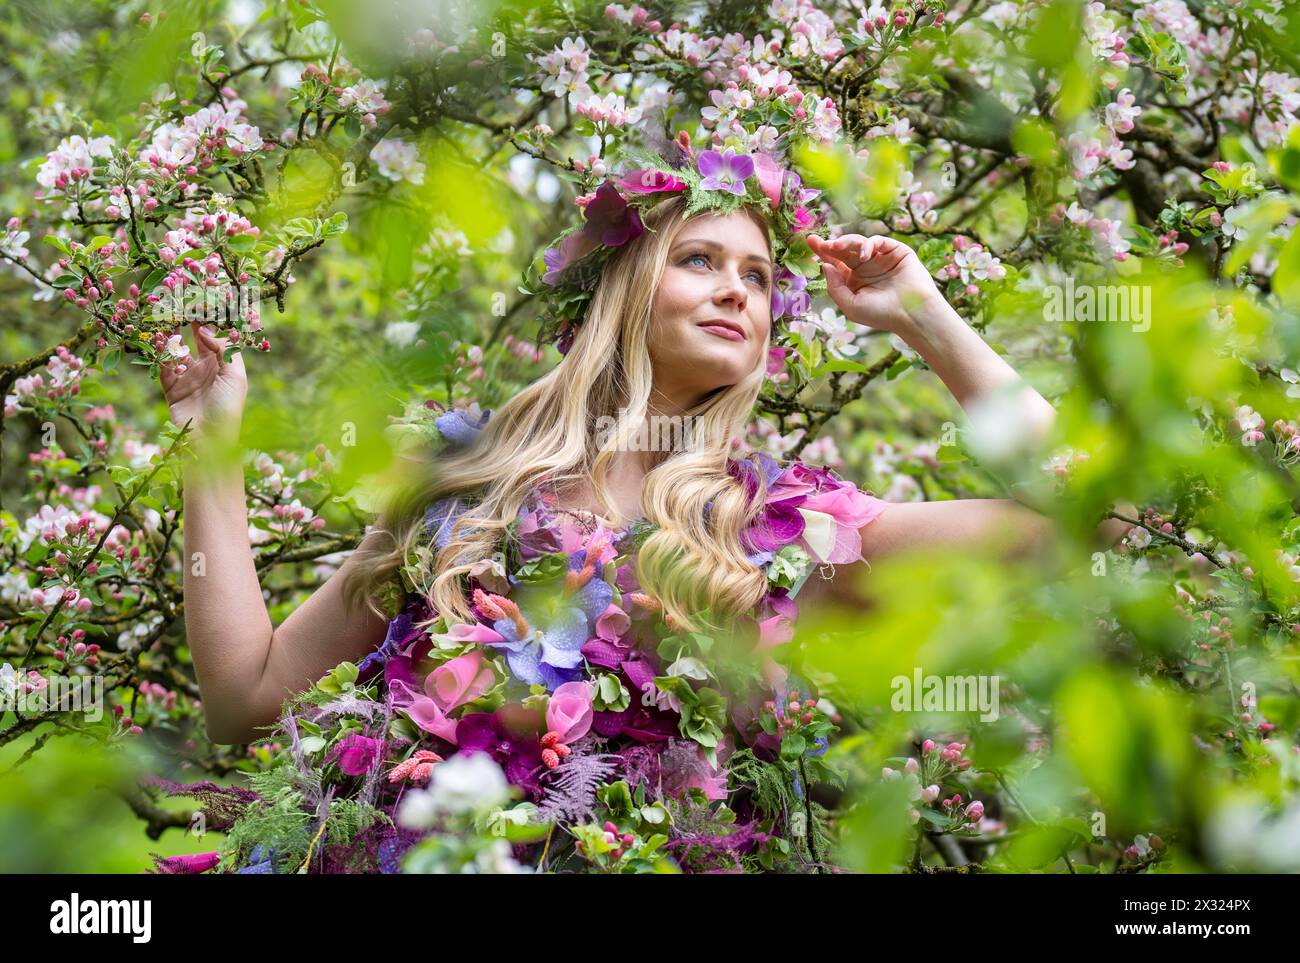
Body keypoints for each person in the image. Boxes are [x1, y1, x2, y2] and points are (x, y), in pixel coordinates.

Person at [159, 137, 1123, 872]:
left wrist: (925, 315)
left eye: (759, 278)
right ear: (624, 287)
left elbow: (1097, 520)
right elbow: (248, 702)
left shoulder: (783, 534)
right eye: (701, 259)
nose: (738, 291)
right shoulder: (462, 488)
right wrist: (212, 439)